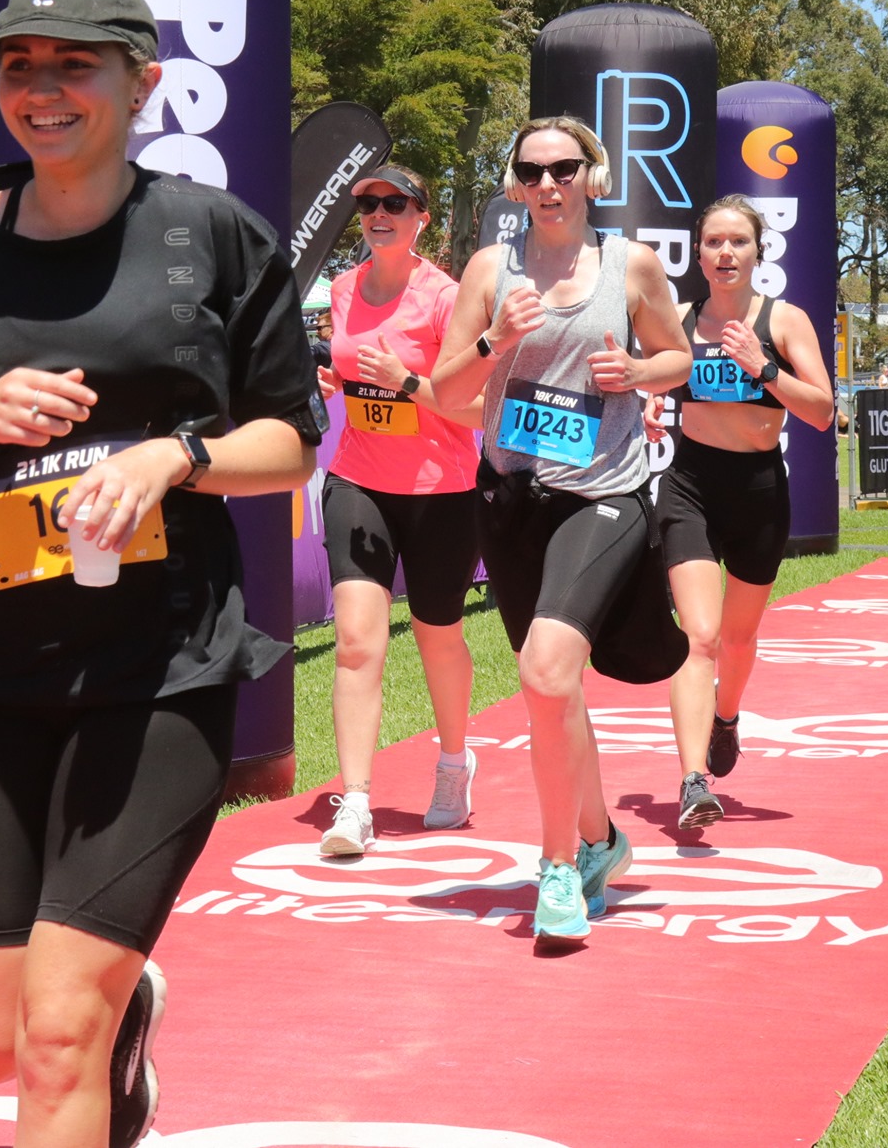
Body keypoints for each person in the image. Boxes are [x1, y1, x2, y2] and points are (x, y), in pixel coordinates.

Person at [0, 0, 321, 1146]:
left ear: (141, 81)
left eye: (72, 65)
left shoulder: (209, 235)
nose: (41, 90)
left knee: (54, 1031)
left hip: (161, 668)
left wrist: (177, 459)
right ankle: (126, 1013)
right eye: (17, 66)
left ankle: (94, 1014)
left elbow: (290, 440)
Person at [431, 116, 692, 943]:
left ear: (593, 175)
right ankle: (599, 840)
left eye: (565, 168)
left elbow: (678, 357)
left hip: (606, 495)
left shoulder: (632, 266)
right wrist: (492, 336)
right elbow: (443, 392)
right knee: (553, 687)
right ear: (515, 181)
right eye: (533, 169)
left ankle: (554, 873)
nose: (549, 183)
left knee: (546, 672)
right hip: (511, 498)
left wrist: (639, 373)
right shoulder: (488, 269)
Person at [643, 196, 835, 828]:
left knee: (737, 637)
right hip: (690, 483)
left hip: (757, 489)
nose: (724, 253)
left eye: (737, 243)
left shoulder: (785, 320)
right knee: (697, 637)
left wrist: (766, 368)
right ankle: (692, 779)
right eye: (713, 243)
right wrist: (648, 398)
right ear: (697, 253)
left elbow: (821, 411)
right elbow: (655, 376)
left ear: (758, 252)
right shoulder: (678, 317)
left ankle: (727, 716)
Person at [312, 163, 482, 856]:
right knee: (356, 642)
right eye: (368, 204)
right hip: (358, 479)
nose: (378, 213)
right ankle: (355, 802)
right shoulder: (344, 288)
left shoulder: (445, 298)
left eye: (394, 204)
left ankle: (452, 762)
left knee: (438, 632)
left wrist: (409, 382)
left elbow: (476, 406)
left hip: (441, 489)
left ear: (422, 219)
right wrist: (340, 380)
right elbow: (354, 375)